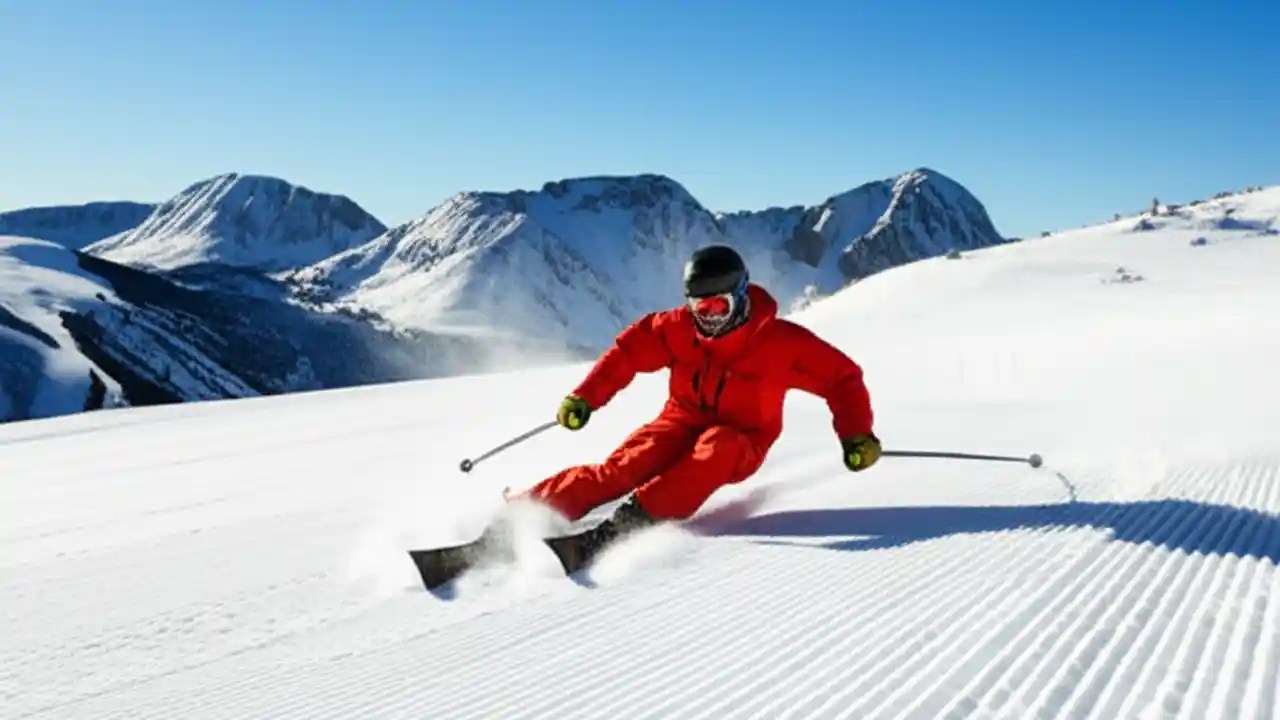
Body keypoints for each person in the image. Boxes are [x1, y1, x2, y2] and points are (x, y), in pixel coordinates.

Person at [512, 245, 881, 553]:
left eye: (718, 309)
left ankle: (630, 523)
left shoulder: (782, 345)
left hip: (743, 439)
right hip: (681, 420)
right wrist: (585, 398)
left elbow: (842, 380)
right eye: (699, 309)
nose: (708, 320)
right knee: (625, 468)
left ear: (739, 299)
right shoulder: (677, 329)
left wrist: (857, 436)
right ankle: (528, 511)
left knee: (715, 449)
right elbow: (627, 354)